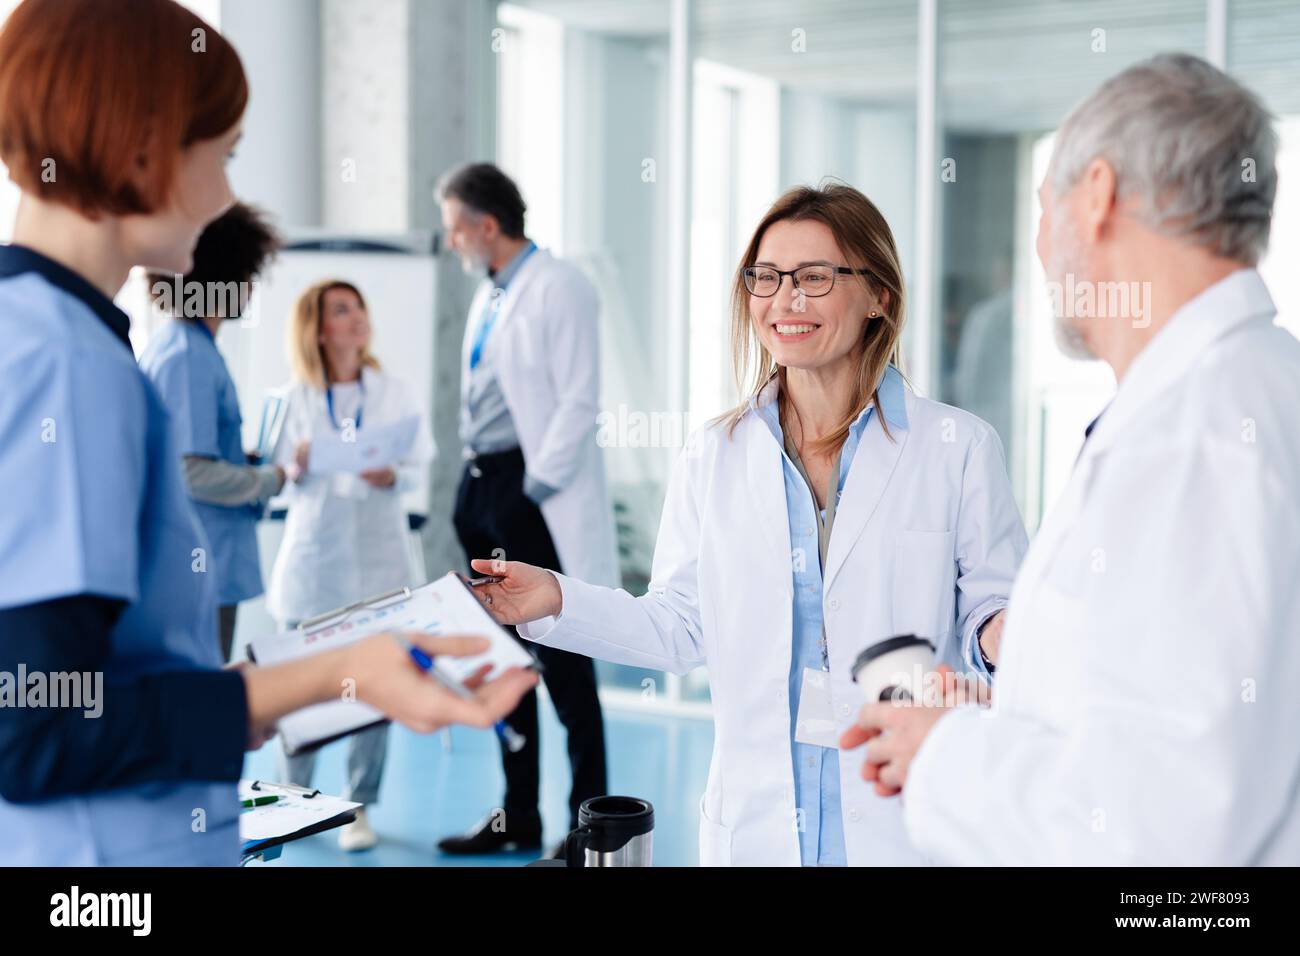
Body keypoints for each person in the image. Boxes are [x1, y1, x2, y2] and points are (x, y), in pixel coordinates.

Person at [0, 0, 536, 866]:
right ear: (141, 147)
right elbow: (36, 731)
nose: (225, 197)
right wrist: (331, 674)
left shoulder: (48, 335)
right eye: (226, 156)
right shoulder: (69, 366)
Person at [463, 182, 1028, 866]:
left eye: (816, 277)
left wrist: (1005, 634)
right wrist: (557, 598)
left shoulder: (958, 448)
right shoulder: (715, 454)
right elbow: (680, 625)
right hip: (757, 828)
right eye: (766, 277)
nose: (785, 299)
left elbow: (992, 615)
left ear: (879, 295)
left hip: (900, 823)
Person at [841, 53, 1300, 865]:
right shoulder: (1251, 388)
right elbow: (1182, 720)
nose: (1042, 248)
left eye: (1044, 205)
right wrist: (998, 711)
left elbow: (1164, 831)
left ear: (1096, 196)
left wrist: (945, 754)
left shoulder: (1196, 437)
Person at [435, 163, 614, 856]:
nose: (451, 243)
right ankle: (519, 818)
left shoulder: (559, 285)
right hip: (481, 486)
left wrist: (532, 491)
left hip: (528, 493)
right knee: (506, 667)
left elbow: (578, 400)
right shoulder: (493, 294)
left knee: (566, 672)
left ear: (486, 225)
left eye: (455, 229)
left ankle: (588, 826)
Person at [265, 279, 435, 852]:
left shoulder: (394, 391)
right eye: (343, 310)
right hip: (316, 557)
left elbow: (418, 460)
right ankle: (291, 801)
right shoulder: (294, 398)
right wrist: (298, 465)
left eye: (361, 306)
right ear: (318, 329)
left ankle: (358, 807)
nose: (358, 317)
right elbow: (278, 476)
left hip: (379, 553)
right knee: (300, 686)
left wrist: (395, 475)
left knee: (375, 683)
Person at [139, 202, 285, 663]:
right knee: (205, 688)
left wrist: (237, 458)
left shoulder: (188, 347)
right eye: (246, 277)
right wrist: (270, 479)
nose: (249, 288)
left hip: (205, 561)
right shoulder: (188, 356)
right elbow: (190, 471)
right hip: (202, 563)